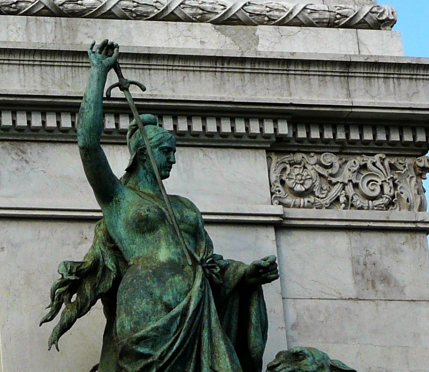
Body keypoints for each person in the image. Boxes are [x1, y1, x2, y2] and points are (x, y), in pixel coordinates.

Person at [41, 39, 279, 372]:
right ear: (142, 152)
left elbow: (209, 266)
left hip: (196, 308)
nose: (173, 159)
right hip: (144, 307)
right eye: (166, 151)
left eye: (173, 152)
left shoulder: (186, 209)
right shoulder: (118, 197)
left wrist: (247, 274)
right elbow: (87, 144)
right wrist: (98, 73)